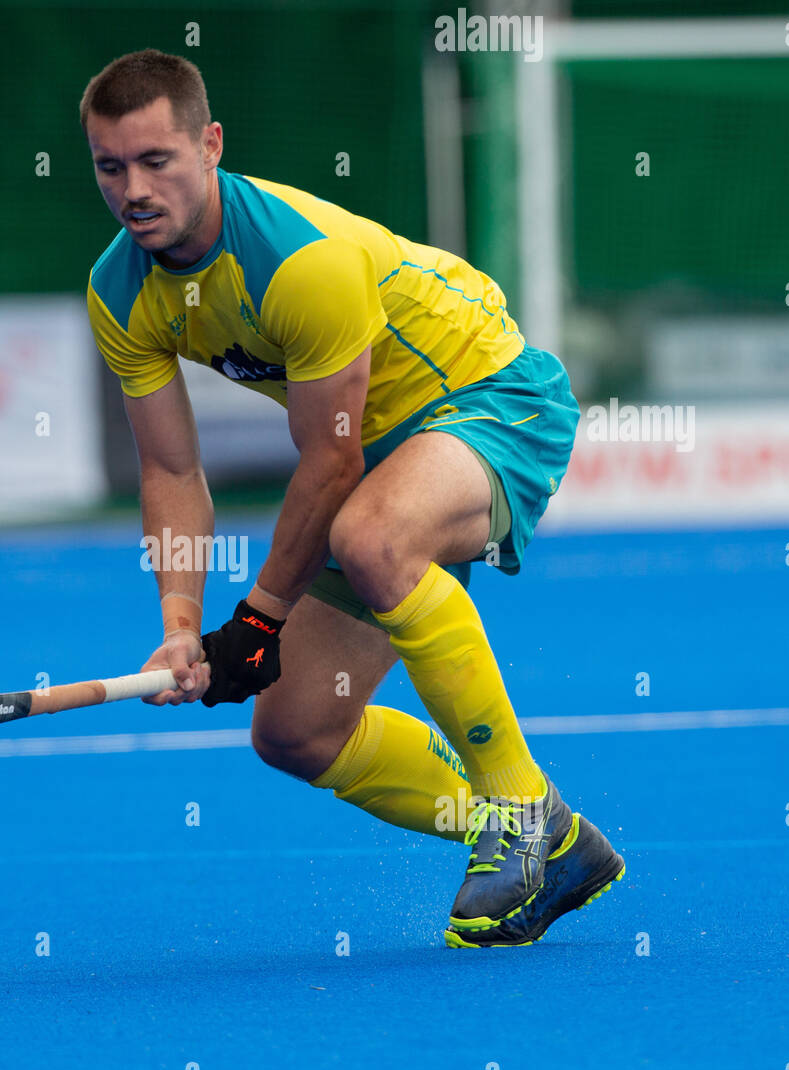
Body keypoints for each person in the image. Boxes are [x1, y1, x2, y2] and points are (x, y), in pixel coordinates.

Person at [80, 49, 623, 947]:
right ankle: (542, 838)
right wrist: (182, 619)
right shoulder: (121, 292)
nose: (134, 189)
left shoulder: (300, 263)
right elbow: (172, 472)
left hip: (488, 397)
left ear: (210, 146)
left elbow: (328, 469)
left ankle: (523, 806)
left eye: (156, 160)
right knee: (295, 731)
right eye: (110, 167)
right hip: (376, 458)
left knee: (370, 535)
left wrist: (255, 618)